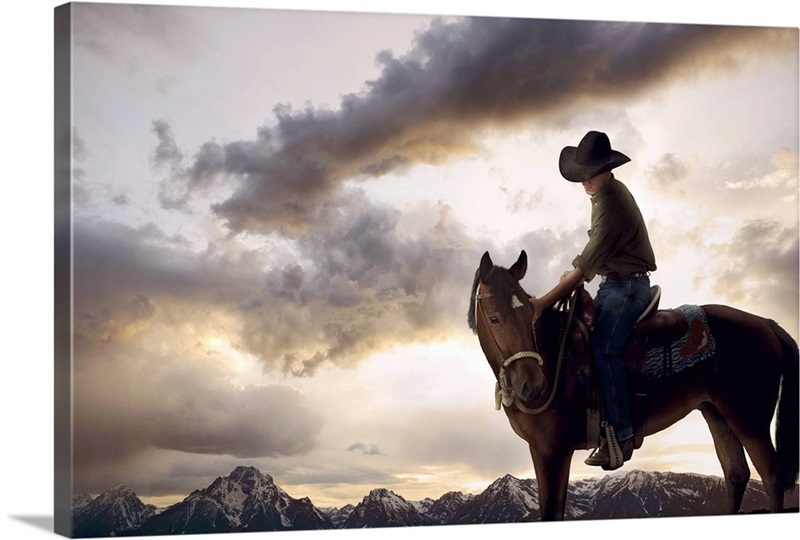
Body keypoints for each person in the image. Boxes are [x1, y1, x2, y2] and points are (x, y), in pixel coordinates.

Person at [530, 130, 656, 470]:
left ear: (606, 169)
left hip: (627, 288)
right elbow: (589, 260)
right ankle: (593, 421)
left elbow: (586, 265)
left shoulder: (611, 204)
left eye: (589, 173)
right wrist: (570, 275)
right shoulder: (604, 195)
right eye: (580, 174)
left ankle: (623, 433)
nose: (584, 181)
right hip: (614, 284)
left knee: (604, 349)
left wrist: (541, 303)